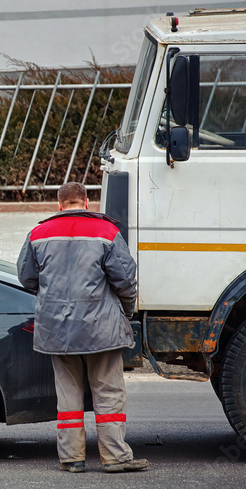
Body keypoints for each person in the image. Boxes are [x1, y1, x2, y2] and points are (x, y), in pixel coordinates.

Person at [17, 181, 148, 474]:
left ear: (59, 205)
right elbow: (126, 280)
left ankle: (72, 458)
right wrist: (126, 312)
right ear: (87, 203)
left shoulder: (38, 234)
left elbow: (26, 278)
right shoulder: (106, 232)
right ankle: (115, 457)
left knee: (68, 395)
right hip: (101, 329)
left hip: (56, 331)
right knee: (108, 392)